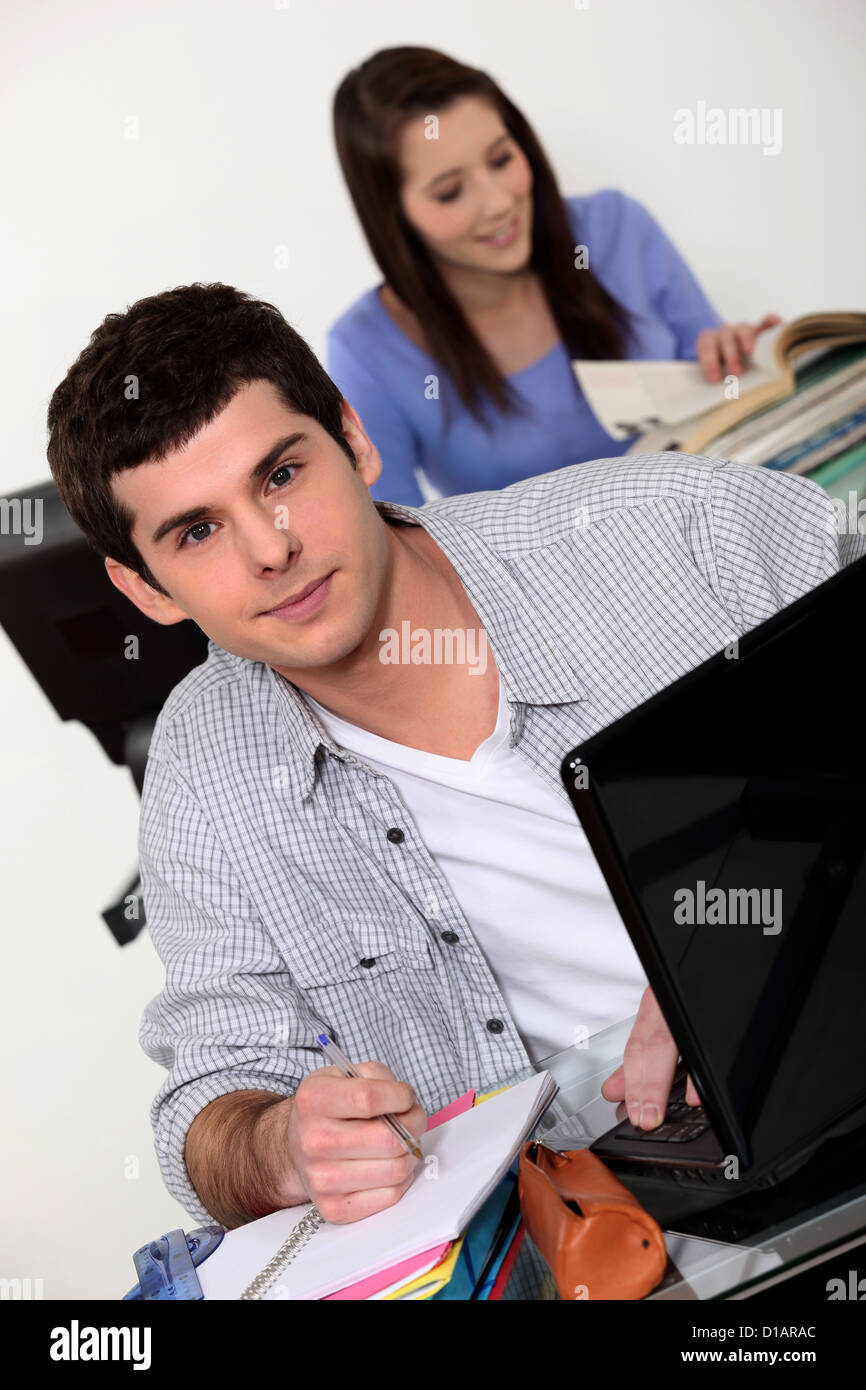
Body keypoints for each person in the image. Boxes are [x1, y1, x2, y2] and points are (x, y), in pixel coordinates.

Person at [47, 284, 860, 1239]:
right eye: (198, 531)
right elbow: (214, 1088)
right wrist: (280, 1145)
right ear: (145, 589)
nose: (271, 548)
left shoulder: (673, 532)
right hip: (641, 1230)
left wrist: (770, 944)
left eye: (280, 475)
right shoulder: (205, 768)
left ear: (354, 440)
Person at [328, 46, 780, 506]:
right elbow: (393, 546)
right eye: (450, 192)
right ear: (393, 218)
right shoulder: (366, 350)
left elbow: (726, 417)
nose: (499, 202)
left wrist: (745, 359)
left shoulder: (616, 229)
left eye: (501, 159)